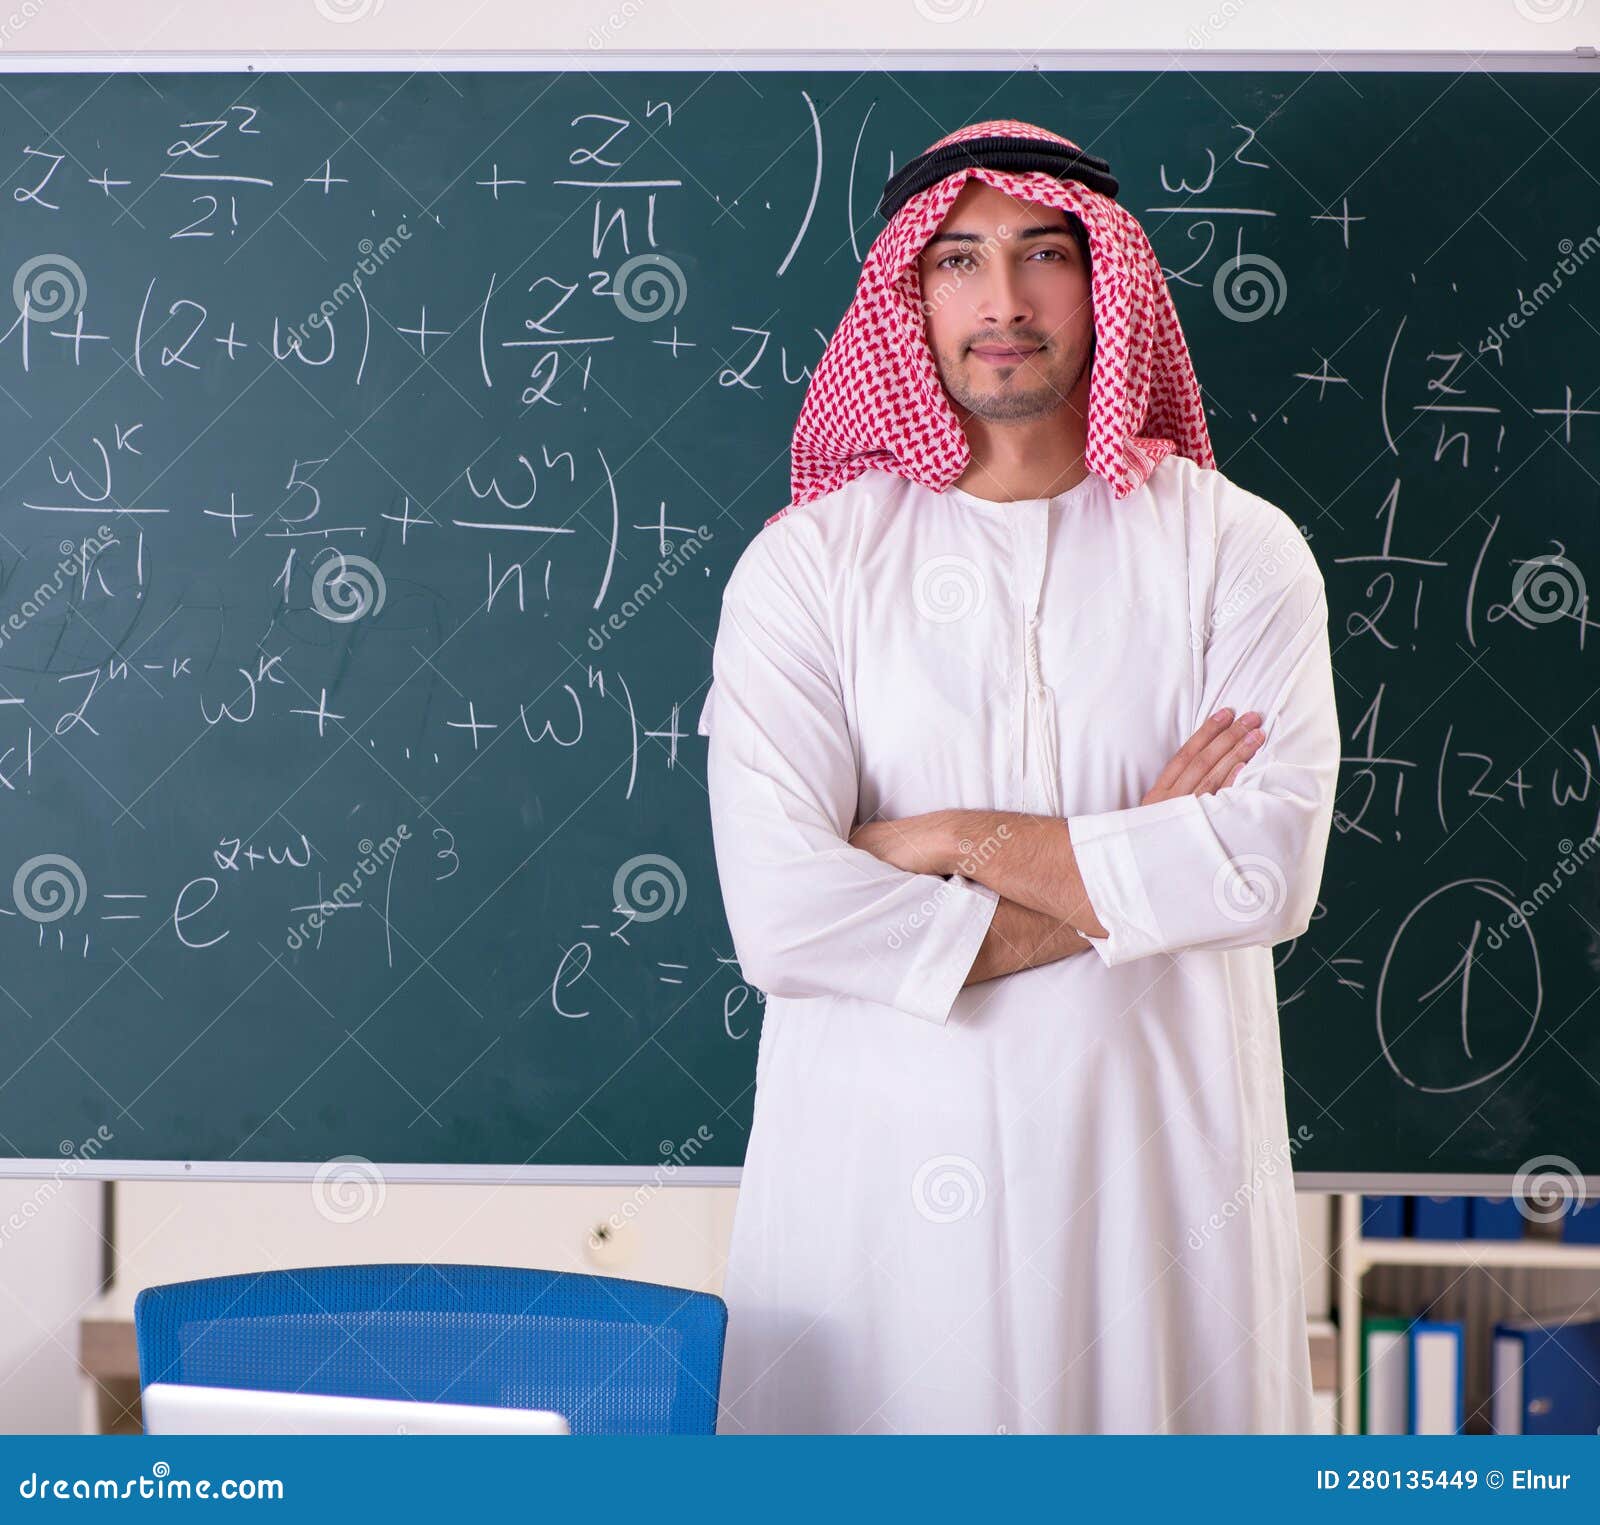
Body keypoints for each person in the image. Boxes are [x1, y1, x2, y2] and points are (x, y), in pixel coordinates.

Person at [696, 119, 1340, 1434]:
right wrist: (1136, 863)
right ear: (909, 298)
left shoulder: (1236, 552)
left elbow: (1263, 868)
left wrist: (937, 835)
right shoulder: (809, 570)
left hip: (1165, 1208)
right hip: (874, 1222)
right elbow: (786, 918)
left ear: (1105, 281)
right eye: (958, 262)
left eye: (1043, 255)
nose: (1003, 300)